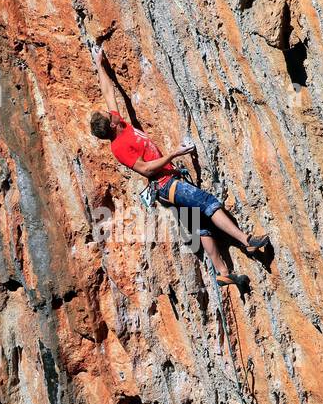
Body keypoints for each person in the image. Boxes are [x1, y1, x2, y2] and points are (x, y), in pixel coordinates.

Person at [88, 45, 269, 288]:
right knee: (207, 203)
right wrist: (175, 153)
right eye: (111, 117)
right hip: (165, 185)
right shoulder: (118, 147)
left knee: (203, 226)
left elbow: (108, 92)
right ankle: (245, 240)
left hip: (167, 185)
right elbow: (145, 169)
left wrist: (99, 64)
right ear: (110, 127)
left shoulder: (118, 123)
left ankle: (222, 272)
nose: (113, 114)